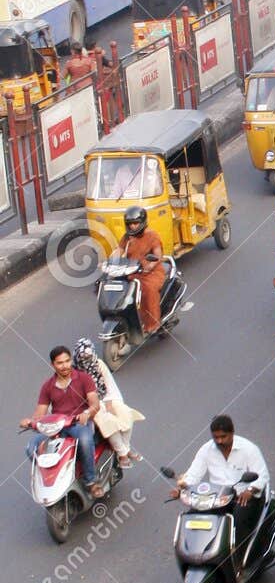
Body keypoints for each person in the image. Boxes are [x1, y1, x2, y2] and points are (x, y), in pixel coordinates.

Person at [171, 414, 269, 552]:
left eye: (223, 437)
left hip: (243, 496)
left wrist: (250, 490)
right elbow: (193, 475)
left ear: (232, 433)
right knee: (194, 519)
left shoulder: (249, 449)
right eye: (216, 437)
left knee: (237, 524)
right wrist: (182, 487)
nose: (219, 441)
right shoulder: (206, 450)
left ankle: (239, 557)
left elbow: (262, 476)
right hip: (218, 497)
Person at [19, 345, 104, 500]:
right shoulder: (47, 386)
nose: (65, 365)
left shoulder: (84, 378)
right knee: (32, 448)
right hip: (57, 426)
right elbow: (40, 413)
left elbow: (95, 403)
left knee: (85, 440)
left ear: (71, 360)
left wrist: (87, 413)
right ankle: (51, 480)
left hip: (78, 423)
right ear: (53, 365)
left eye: (67, 361)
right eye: (60, 363)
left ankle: (91, 481)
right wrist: (31, 422)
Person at [72, 337, 143, 468]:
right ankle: (122, 454)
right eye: (83, 358)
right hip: (89, 406)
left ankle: (125, 448)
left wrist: (110, 404)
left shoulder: (99, 365)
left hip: (106, 398)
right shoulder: (73, 374)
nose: (86, 362)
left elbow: (109, 385)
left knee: (125, 413)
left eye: (88, 358)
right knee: (107, 421)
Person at [118, 205, 166, 336]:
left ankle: (152, 324)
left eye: (135, 223)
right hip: (132, 272)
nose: (133, 226)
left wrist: (149, 266)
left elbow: (158, 255)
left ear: (142, 222)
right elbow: (118, 252)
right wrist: (107, 263)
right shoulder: (127, 238)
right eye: (130, 223)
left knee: (148, 289)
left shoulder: (152, 236)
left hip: (151, 273)